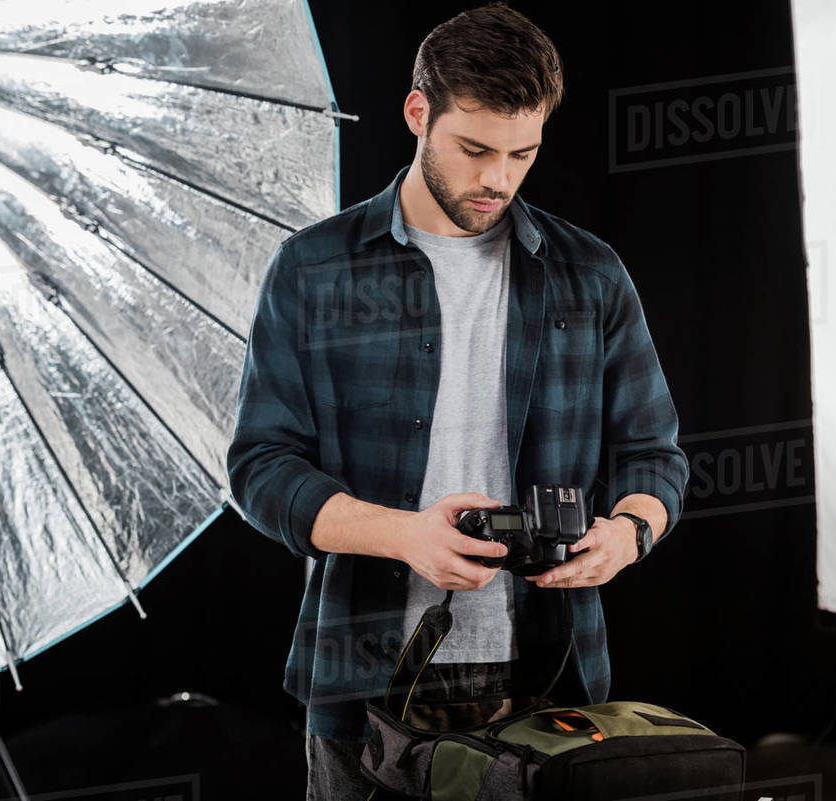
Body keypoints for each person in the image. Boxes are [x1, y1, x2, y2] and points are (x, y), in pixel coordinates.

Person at [225, 3, 690, 799]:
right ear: (418, 114)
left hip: (549, 679)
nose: (497, 179)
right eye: (474, 149)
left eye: (522, 152)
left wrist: (627, 532)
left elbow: (656, 456)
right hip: (362, 682)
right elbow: (262, 470)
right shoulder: (313, 269)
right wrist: (407, 535)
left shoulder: (592, 273)